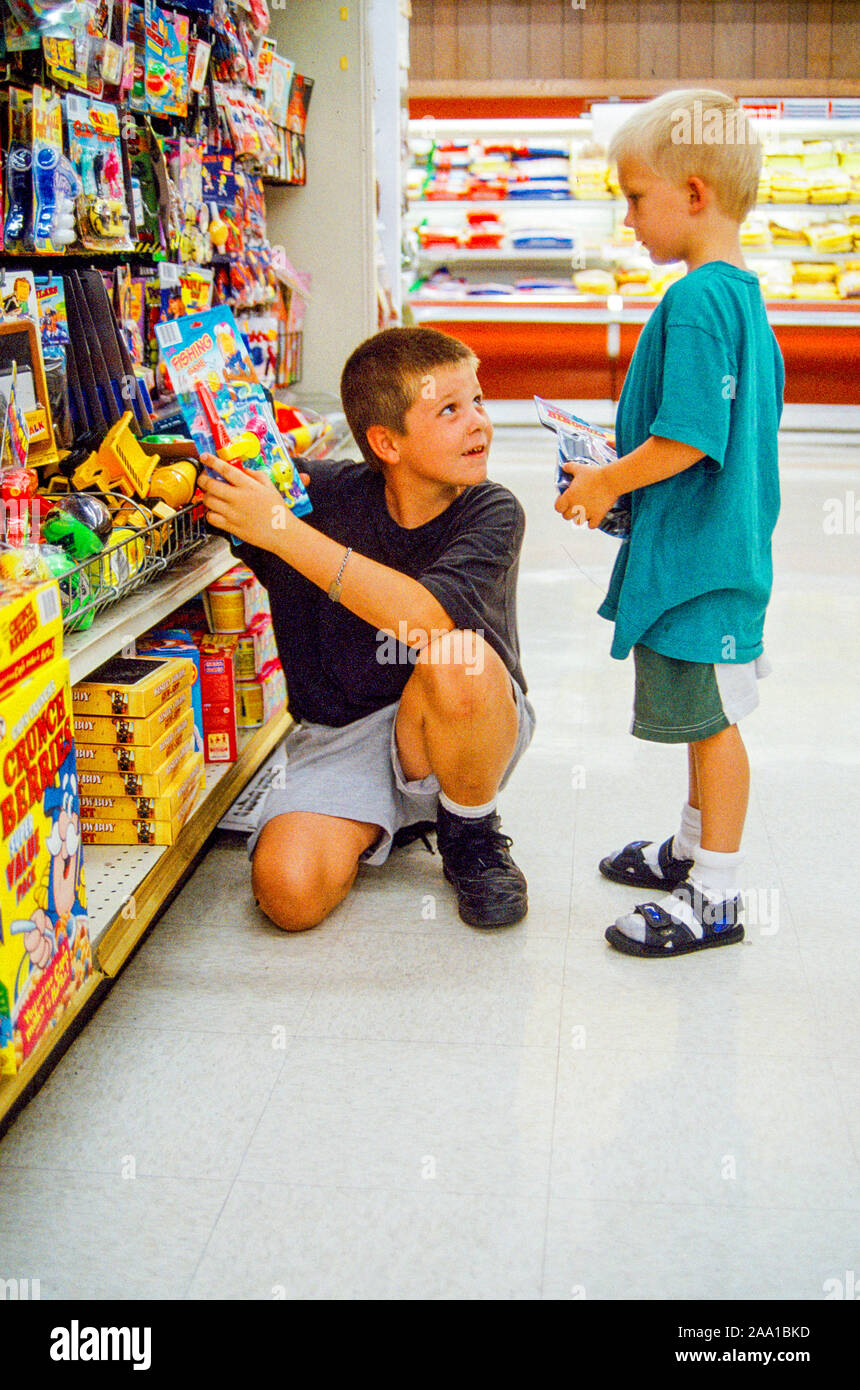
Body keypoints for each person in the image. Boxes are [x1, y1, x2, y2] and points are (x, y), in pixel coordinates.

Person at [197, 327, 535, 932]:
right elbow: (218, 467)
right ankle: (385, 817)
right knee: (288, 895)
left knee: (459, 654)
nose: (479, 422)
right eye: (450, 410)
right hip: (339, 737)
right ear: (386, 442)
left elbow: (425, 621)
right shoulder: (313, 496)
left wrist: (281, 533)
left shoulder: (492, 509)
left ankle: (469, 830)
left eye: (478, 401)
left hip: (459, 718)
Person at [556, 89, 783, 958]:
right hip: (714, 547)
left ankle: (718, 895)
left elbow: (689, 436)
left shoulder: (694, 303)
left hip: (702, 565)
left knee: (714, 723)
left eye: (635, 196)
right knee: (698, 713)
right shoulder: (737, 298)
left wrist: (610, 478)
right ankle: (691, 850)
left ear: (694, 194)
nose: (628, 216)